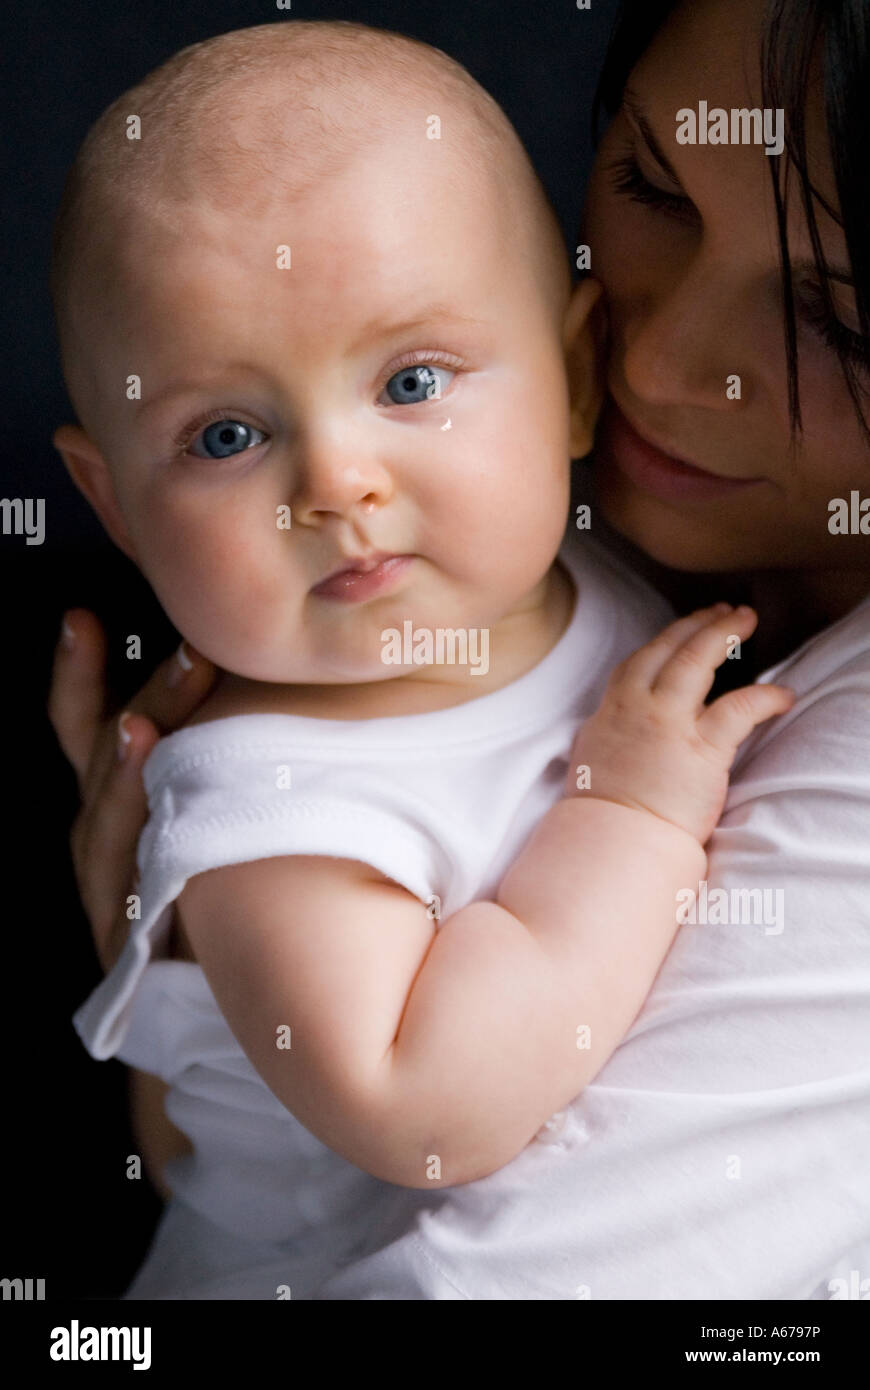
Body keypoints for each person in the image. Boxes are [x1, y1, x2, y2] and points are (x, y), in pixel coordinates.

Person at [49, 0, 870, 1299]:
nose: (336, 482)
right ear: (110, 507)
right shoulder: (276, 812)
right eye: (223, 437)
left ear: (568, 371)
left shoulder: (552, 560)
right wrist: (633, 814)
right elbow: (425, 1104)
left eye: (413, 383)